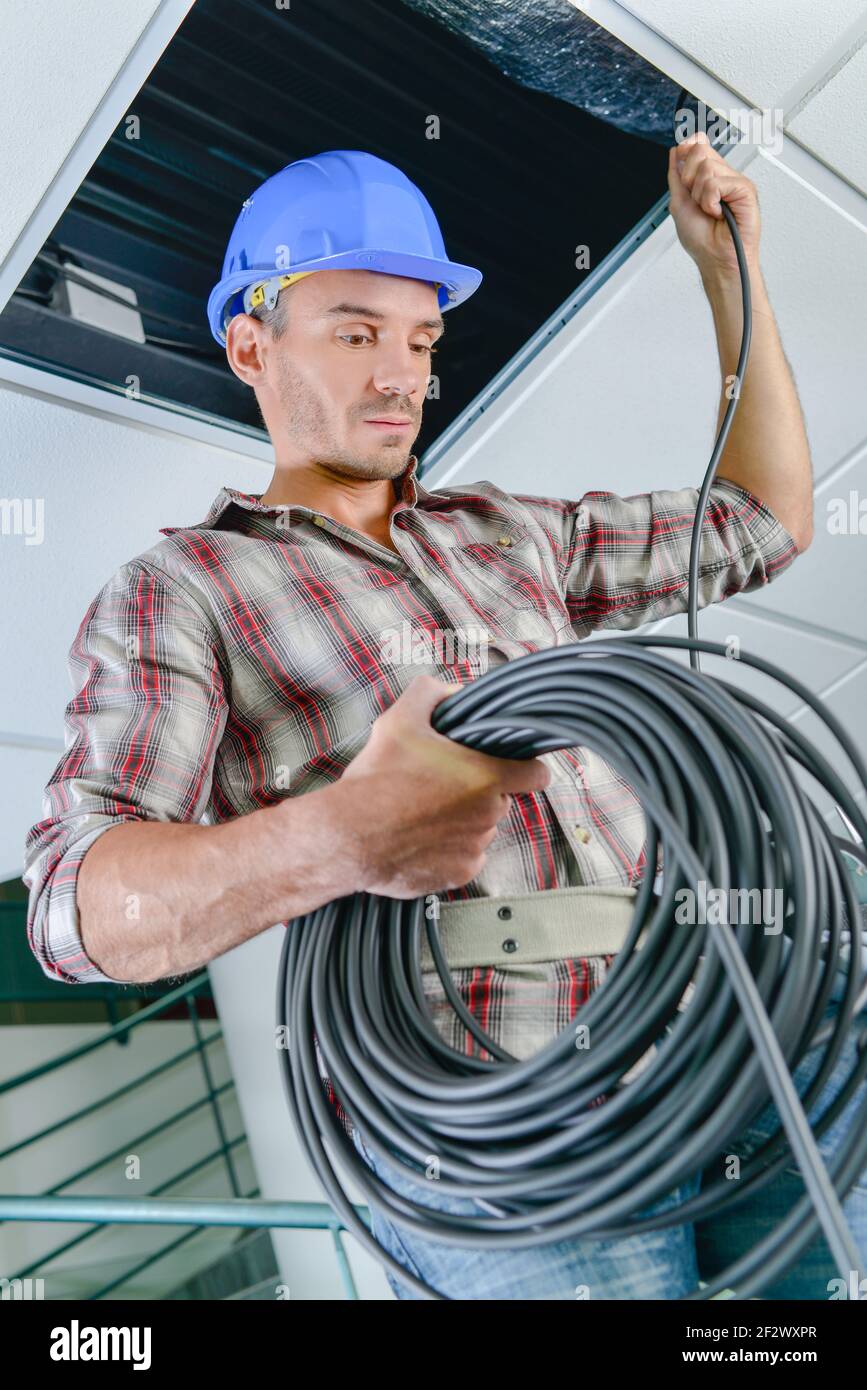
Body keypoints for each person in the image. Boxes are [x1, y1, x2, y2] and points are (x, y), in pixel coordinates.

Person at [25, 140, 840, 1300]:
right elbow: (69, 909)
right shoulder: (184, 588)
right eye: (356, 333)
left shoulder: (511, 529)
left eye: (421, 340)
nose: (402, 374)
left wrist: (728, 272)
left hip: (734, 1043)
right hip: (509, 1148)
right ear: (250, 344)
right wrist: (341, 835)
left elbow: (760, 524)